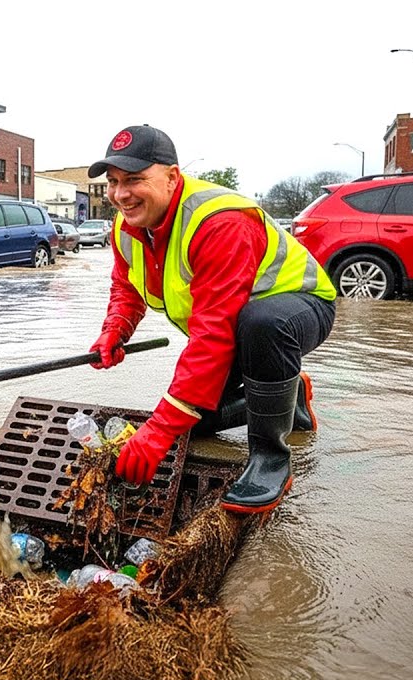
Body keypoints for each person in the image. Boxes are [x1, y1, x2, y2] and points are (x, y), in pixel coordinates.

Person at [87, 125, 337, 514]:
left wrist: (158, 431)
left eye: (135, 179)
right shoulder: (128, 226)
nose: (121, 194)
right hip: (232, 327)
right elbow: (127, 287)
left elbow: (213, 336)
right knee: (191, 422)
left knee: (261, 324)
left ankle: (271, 461)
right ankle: (292, 399)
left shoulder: (219, 222)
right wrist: (114, 331)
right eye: (114, 182)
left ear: (172, 177)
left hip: (295, 311)